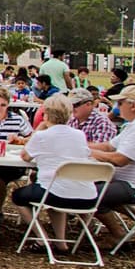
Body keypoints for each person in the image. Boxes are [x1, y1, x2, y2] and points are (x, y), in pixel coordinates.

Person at [14, 94, 98, 245]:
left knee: (18, 196)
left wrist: (39, 128)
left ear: (46, 114)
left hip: (57, 192)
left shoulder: (42, 136)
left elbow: (25, 156)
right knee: (54, 190)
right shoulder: (79, 135)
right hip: (86, 195)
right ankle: (60, 241)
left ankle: (42, 237)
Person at [91, 85, 135, 248]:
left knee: (87, 193)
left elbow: (120, 159)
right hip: (130, 182)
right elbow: (109, 146)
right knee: (89, 188)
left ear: (133, 105)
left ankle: (118, 234)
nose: (116, 108)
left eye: (120, 103)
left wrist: (90, 152)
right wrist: (79, 145)